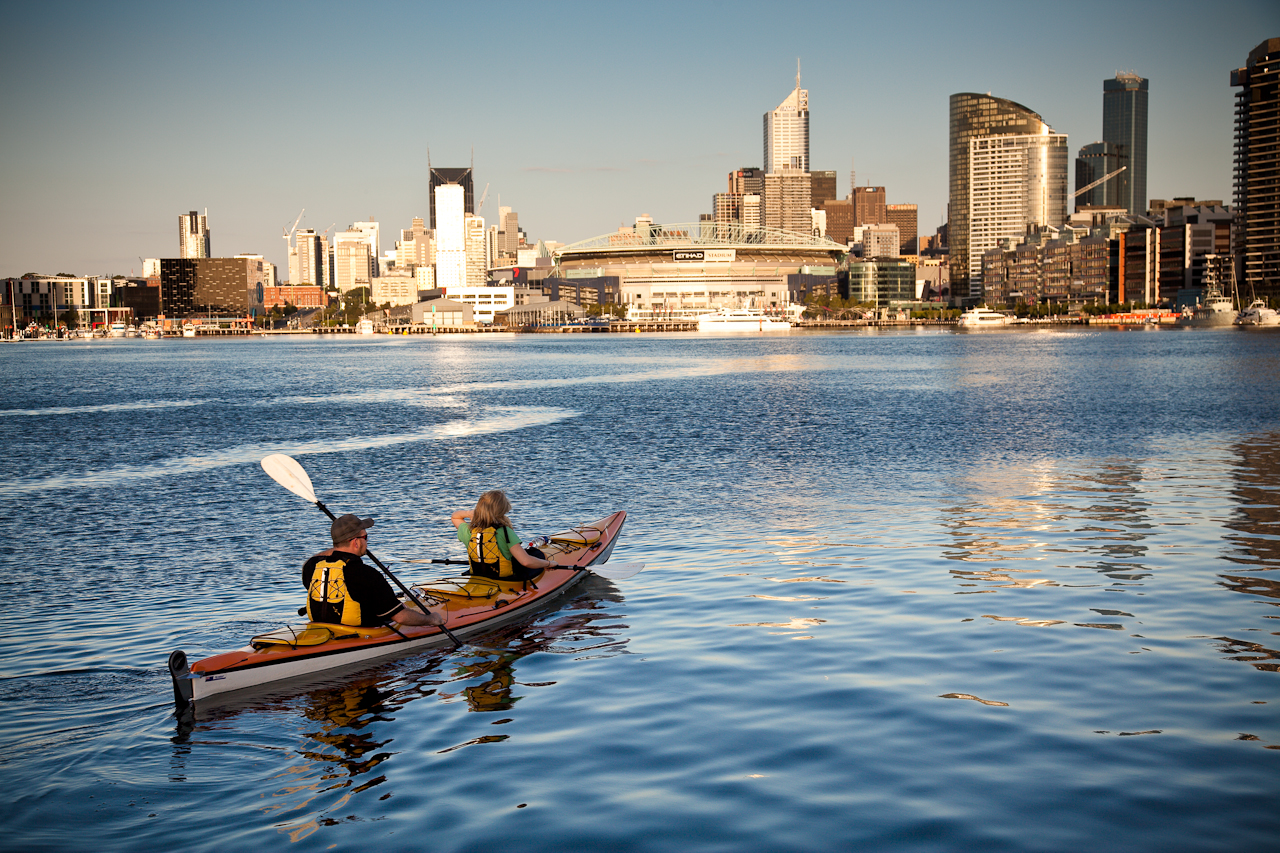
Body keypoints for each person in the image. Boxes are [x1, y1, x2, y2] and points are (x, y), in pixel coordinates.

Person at [303, 513, 443, 628]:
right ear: (356, 542)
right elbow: (400, 617)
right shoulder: (367, 574)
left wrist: (338, 549)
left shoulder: (312, 567)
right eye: (365, 537)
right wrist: (431, 619)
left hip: (320, 630)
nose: (367, 542)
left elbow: (313, 559)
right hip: (359, 635)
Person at [451, 490, 557, 582]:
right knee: (536, 555)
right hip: (504, 580)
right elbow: (525, 561)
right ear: (503, 511)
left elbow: (455, 517)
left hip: (478, 578)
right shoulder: (505, 532)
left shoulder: (468, 530)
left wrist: (469, 513)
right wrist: (548, 564)